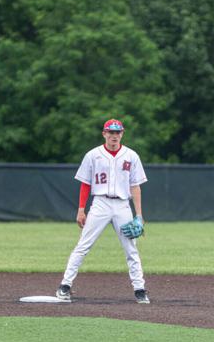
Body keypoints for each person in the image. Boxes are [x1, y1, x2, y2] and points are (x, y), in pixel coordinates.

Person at [56, 118, 150, 304]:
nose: (114, 135)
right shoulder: (93, 155)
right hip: (100, 203)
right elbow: (85, 183)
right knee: (83, 245)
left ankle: (140, 289)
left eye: (117, 132)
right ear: (104, 133)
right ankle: (65, 285)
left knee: (131, 249)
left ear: (122, 134)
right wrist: (81, 209)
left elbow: (135, 186)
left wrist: (139, 215)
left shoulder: (131, 156)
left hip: (122, 205)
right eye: (111, 132)